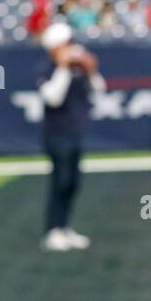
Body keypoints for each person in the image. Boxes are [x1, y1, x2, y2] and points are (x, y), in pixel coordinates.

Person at [37, 23, 105, 251]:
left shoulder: (79, 69)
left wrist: (91, 70)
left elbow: (99, 91)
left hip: (75, 132)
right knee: (60, 180)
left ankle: (65, 226)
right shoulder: (47, 69)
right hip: (56, 134)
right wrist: (63, 68)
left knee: (73, 183)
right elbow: (53, 98)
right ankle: (53, 229)